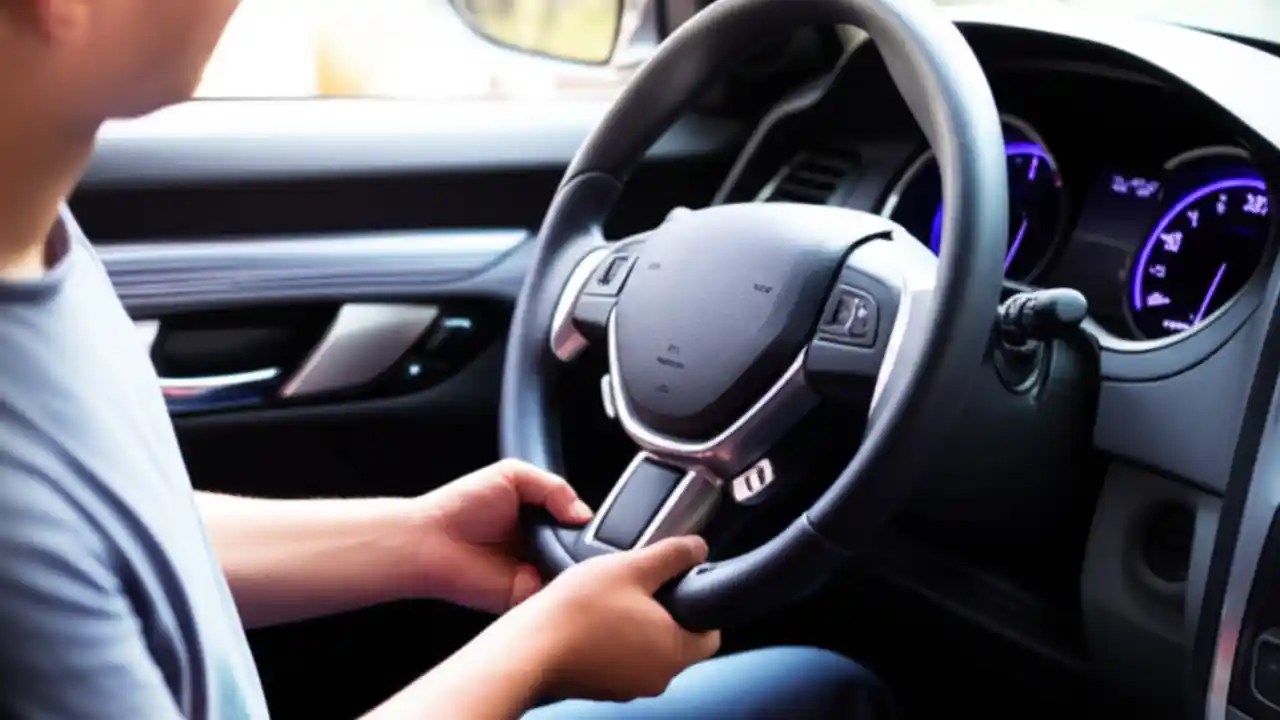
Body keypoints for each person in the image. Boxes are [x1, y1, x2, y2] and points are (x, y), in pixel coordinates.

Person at [0, 0, 891, 717]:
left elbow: (124, 534)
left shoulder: (30, 220)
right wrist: (538, 655)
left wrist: (416, 540)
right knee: (830, 695)